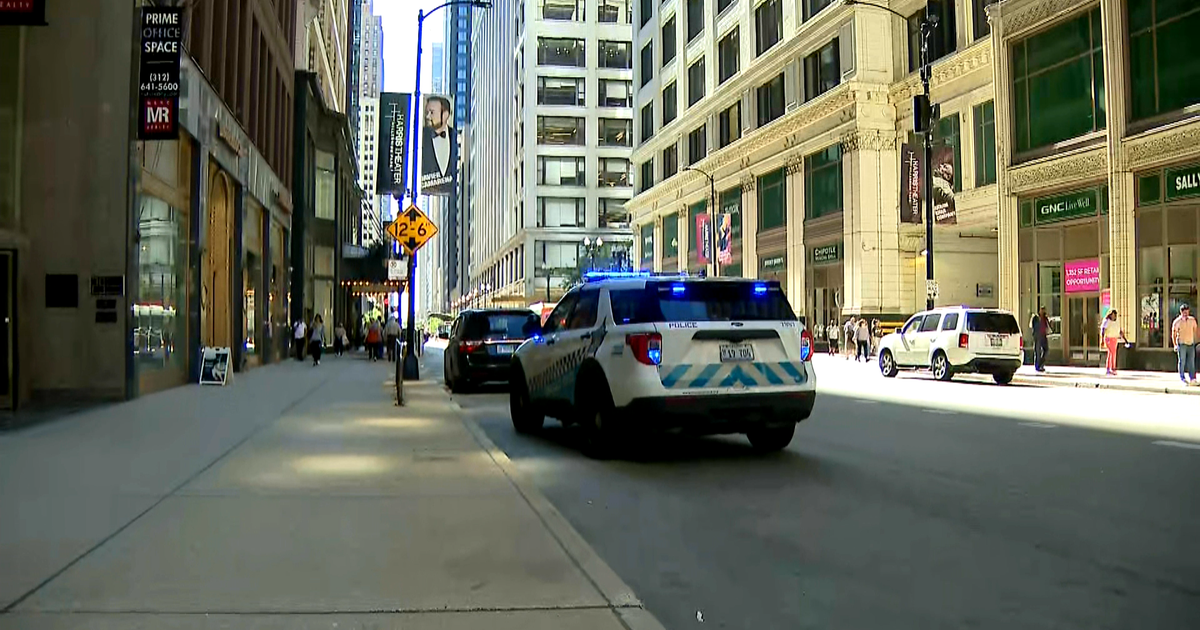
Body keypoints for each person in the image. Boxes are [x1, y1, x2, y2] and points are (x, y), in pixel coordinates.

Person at [420, 95, 457, 194]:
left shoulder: (455, 136)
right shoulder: (420, 138)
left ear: (445, 115)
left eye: (432, 113)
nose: (427, 117)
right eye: (426, 113)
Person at [1171, 303, 1198, 385]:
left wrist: (1196, 341)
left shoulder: (1192, 320)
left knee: (1191, 362)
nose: (1186, 314)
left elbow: (1196, 330)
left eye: (1187, 312)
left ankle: (1193, 378)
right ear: (1181, 312)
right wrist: (1175, 344)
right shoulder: (1177, 322)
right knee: (1182, 361)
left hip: (1191, 344)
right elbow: (1173, 333)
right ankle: (1182, 378)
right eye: (1184, 312)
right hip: (1182, 344)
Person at [1100, 310, 1129, 376]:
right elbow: (1103, 330)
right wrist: (1102, 340)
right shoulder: (1107, 321)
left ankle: (1111, 368)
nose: (1114, 316)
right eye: (1112, 314)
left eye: (1115, 315)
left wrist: (1125, 340)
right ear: (1110, 315)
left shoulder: (1117, 322)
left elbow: (1120, 331)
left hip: (1114, 339)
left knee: (1113, 353)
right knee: (1111, 352)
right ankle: (1111, 368)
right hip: (1108, 338)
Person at [1030, 306, 1050, 372]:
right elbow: (1032, 326)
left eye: (1044, 310)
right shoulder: (1035, 317)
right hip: (1037, 336)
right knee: (1037, 351)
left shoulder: (1045, 318)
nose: (1043, 311)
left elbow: (1048, 326)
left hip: (1044, 335)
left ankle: (1041, 363)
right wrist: (1034, 334)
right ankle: (1037, 366)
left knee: (1046, 350)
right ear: (1039, 311)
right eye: (1042, 310)